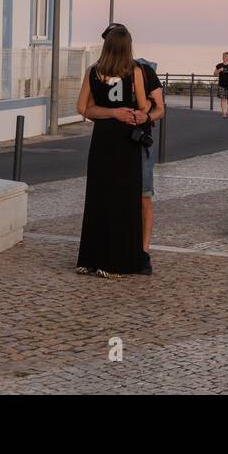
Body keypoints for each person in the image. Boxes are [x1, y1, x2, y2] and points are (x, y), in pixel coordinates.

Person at [75, 23, 151, 277]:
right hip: (125, 141)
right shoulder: (135, 71)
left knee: (98, 197)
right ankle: (116, 263)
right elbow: (142, 106)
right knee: (124, 202)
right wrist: (142, 109)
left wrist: (109, 112)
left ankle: (89, 259)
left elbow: (83, 108)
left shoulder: (93, 72)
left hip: (102, 139)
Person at [132, 49, 165, 272]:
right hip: (116, 145)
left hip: (141, 144)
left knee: (144, 197)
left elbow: (160, 109)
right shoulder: (107, 73)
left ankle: (144, 252)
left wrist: (147, 116)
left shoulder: (145, 73)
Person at [215, 52, 228, 117]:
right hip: (221, 84)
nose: (224, 57)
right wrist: (219, 70)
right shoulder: (219, 65)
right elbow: (215, 74)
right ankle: (224, 113)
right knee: (223, 99)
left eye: (226, 56)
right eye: (223, 56)